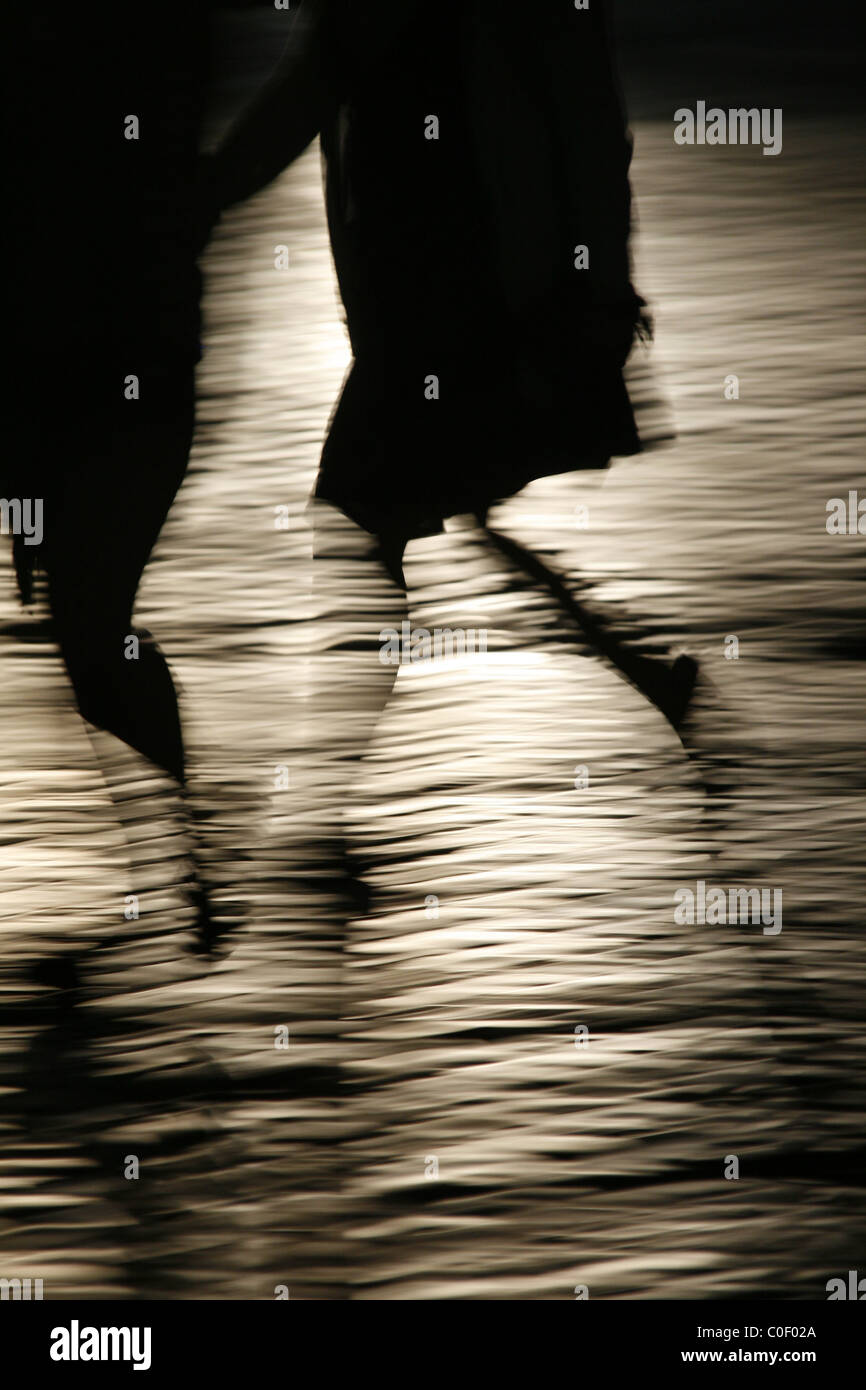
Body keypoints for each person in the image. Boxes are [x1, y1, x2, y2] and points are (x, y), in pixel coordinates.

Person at [198, 0, 698, 886]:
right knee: (432, 518)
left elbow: (580, 129)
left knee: (364, 536)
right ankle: (650, 677)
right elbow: (587, 123)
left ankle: (319, 822)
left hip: (460, 322)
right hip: (434, 320)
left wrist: (186, 202)